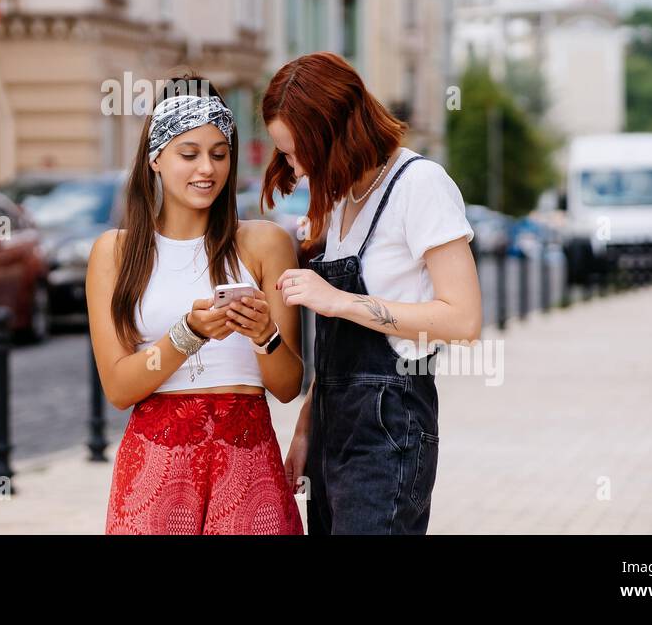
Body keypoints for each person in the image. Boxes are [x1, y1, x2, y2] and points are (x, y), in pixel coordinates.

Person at [261, 52, 481, 534]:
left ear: (332, 134)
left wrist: (340, 301)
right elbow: (339, 345)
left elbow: (463, 319)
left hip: (390, 424)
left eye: (297, 152)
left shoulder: (419, 184)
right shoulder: (339, 200)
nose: (293, 168)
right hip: (331, 428)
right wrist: (306, 428)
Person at [88, 77, 305, 534]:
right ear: (155, 158)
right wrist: (189, 334)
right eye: (189, 154)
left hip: (247, 460)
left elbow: (287, 387)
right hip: (155, 466)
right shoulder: (115, 253)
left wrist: (265, 335)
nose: (206, 168)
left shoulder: (265, 242)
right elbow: (119, 388)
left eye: (219, 154)